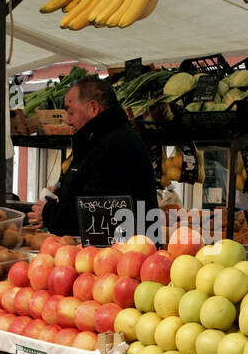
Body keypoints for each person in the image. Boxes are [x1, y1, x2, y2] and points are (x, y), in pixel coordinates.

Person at [29, 76, 158, 238]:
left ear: (93, 108)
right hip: (116, 250)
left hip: (124, 253)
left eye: (71, 112)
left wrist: (49, 214)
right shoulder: (99, 139)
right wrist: (64, 193)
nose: (68, 121)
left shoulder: (115, 144)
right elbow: (93, 189)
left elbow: (98, 212)